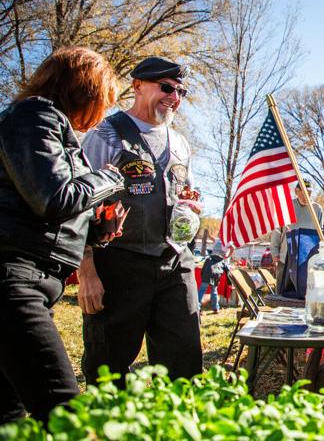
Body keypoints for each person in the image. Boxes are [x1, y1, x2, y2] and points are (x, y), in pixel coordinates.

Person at [0, 47, 124, 423]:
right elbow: (54, 198)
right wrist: (110, 178)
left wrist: (100, 229)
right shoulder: (34, 116)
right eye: (102, 101)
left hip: (34, 283)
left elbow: (57, 210)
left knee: (10, 417)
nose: (101, 114)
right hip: (14, 283)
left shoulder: (51, 128)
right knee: (65, 413)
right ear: (84, 91)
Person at [78, 56, 203, 384]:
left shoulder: (180, 143)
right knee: (108, 370)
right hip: (119, 265)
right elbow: (78, 207)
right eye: (166, 87)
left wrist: (188, 205)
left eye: (181, 91)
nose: (174, 97)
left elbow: (180, 195)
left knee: (185, 365)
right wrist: (87, 273)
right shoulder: (106, 134)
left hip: (175, 262)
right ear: (137, 86)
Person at [269, 179, 324, 289]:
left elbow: (320, 234)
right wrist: (275, 252)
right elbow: (277, 231)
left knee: (304, 294)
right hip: (285, 258)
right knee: (282, 293)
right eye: (303, 192)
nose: (306, 196)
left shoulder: (317, 209)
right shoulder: (286, 206)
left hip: (307, 261)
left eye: (309, 193)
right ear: (296, 191)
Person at [197, 244, 233, 314]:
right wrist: (230, 282)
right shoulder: (223, 260)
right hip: (216, 276)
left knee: (201, 291)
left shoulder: (209, 258)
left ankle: (197, 308)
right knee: (214, 292)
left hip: (207, 275)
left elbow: (203, 268)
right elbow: (228, 271)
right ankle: (216, 308)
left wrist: (202, 276)